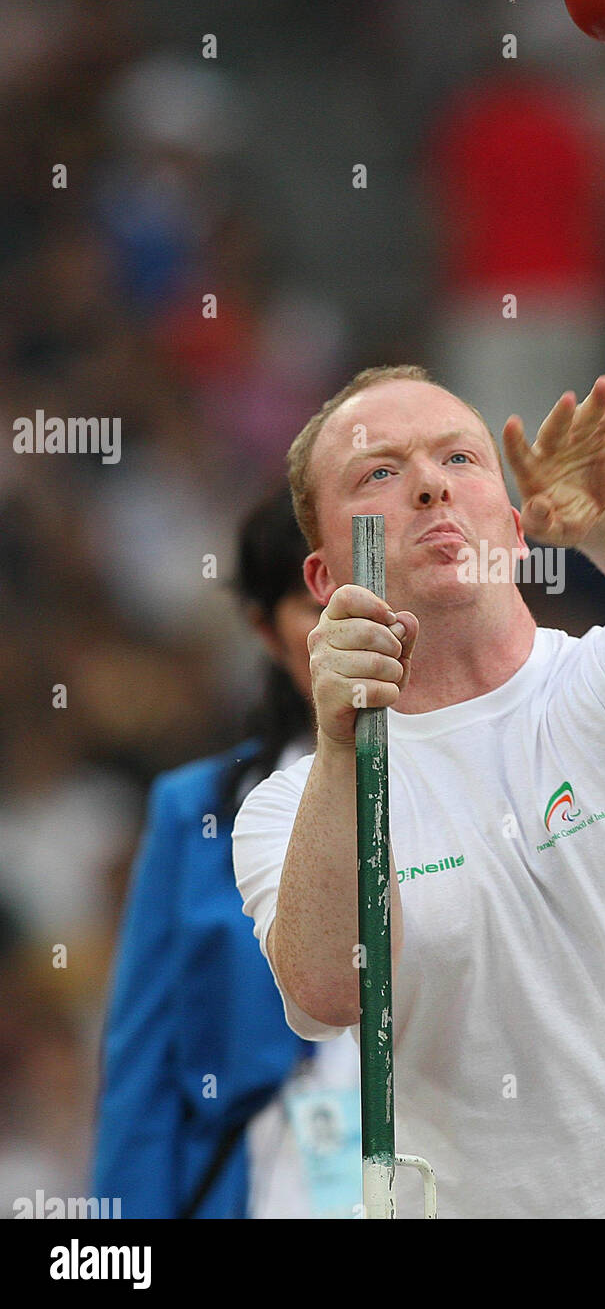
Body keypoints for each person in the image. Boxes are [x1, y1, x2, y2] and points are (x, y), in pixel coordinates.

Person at [233, 363, 605, 1218]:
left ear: (512, 530)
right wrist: (340, 742)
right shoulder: (288, 807)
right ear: (324, 580)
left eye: (461, 460)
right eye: (380, 473)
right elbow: (333, 992)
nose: (430, 485)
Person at [92, 484, 362, 1218]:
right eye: (318, 608)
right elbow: (143, 1072)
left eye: (370, 596)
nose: (351, 628)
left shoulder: (487, 778)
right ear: (265, 630)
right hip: (259, 1188)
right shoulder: (198, 812)